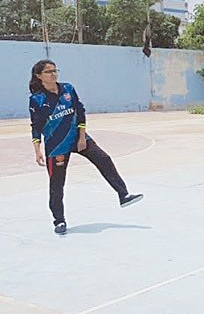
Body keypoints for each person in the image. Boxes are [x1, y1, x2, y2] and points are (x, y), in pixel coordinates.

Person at [28, 60, 143, 235]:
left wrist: (82, 136)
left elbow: (80, 111)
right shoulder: (37, 99)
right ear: (39, 76)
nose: (53, 74)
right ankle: (59, 221)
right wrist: (37, 150)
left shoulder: (68, 89)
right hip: (56, 146)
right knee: (57, 184)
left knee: (103, 159)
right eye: (48, 72)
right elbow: (36, 126)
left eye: (55, 70)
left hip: (78, 138)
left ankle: (123, 195)